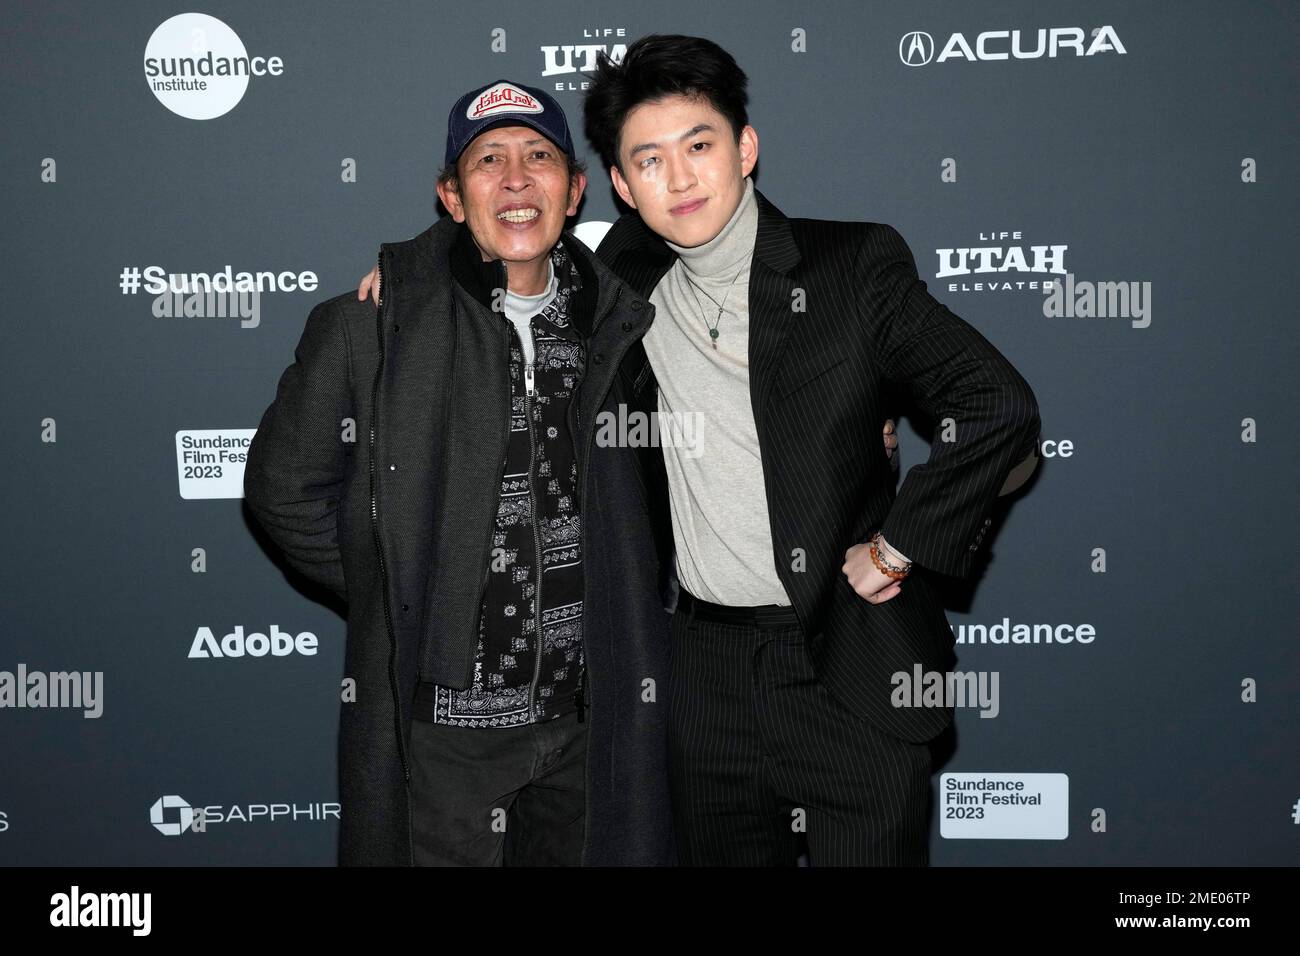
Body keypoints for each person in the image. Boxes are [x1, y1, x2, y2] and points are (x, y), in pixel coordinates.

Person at [355, 41, 1000, 866]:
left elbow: (995, 406)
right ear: (622, 188)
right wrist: (408, 273)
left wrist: (901, 544)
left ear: (745, 148)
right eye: (649, 161)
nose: (681, 178)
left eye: (699, 146)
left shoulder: (853, 266)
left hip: (851, 666)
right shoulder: (621, 274)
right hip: (699, 677)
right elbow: (509, 223)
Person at [245, 78, 674, 866]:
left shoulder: (621, 330)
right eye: (488, 161)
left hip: (589, 725)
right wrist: (401, 588)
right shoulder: (369, 328)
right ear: (451, 197)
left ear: (575, 191)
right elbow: (283, 492)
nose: (516, 179)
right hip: (446, 737)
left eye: (540, 156)